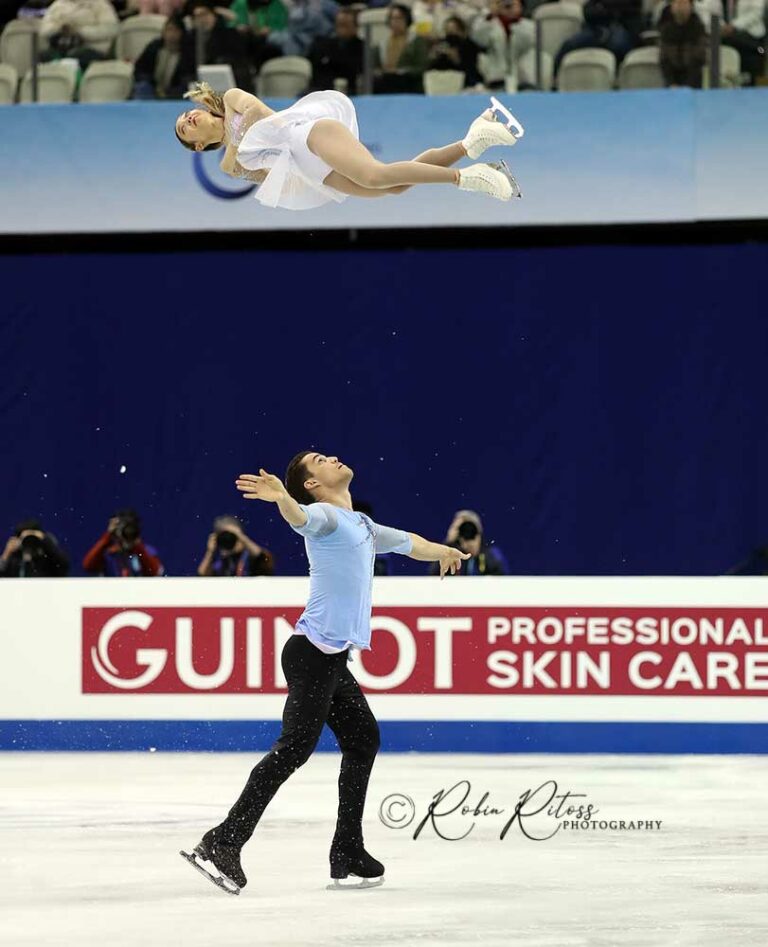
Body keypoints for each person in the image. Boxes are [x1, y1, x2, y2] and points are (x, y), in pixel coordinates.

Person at [180, 451, 471, 894]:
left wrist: (445, 550)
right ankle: (224, 840)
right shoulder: (325, 517)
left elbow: (408, 543)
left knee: (363, 739)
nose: (333, 458)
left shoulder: (363, 525)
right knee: (294, 749)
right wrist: (283, 498)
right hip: (311, 655)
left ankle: (347, 850)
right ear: (312, 484)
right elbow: (301, 519)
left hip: (331, 659)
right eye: (320, 460)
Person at [174, 82, 525, 208]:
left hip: (308, 135)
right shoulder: (226, 164)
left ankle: (471, 177)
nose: (188, 118)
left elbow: (256, 112)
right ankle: (472, 140)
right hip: (312, 169)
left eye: (187, 114)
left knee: (375, 175)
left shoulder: (232, 99)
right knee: (394, 187)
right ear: (198, 146)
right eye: (183, 128)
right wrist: (239, 151)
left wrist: (236, 143)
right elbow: (269, 176)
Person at [553, 0, 642, 77]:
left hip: (623, 27)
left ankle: (614, 79)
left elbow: (629, 7)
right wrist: (604, 10)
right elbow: (587, 11)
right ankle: (554, 77)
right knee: (569, 44)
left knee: (617, 45)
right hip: (597, 28)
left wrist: (604, 8)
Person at [82, 508, 164, 577]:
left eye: (131, 529)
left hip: (139, 590)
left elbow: (155, 572)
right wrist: (108, 536)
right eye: (125, 529)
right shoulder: (108, 552)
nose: (128, 532)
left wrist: (138, 546)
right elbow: (88, 566)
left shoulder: (146, 550)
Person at [429, 509, 509, 576]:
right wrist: (448, 543)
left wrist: (477, 552)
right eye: (461, 528)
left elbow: (502, 576)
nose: (466, 531)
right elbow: (434, 574)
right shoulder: (452, 553)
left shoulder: (491, 552)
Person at [372, 3, 430, 93]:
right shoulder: (382, 43)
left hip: (409, 86)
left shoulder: (416, 41)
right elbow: (375, 66)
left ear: (407, 20)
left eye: (399, 18)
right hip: (386, 85)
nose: (396, 22)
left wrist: (403, 72)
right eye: (393, 18)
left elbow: (421, 67)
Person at [133, 14, 195, 98]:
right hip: (152, 89)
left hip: (175, 93)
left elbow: (188, 79)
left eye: (176, 31)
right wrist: (150, 83)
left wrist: (170, 92)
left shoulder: (188, 53)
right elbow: (140, 69)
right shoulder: (154, 47)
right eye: (169, 30)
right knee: (142, 87)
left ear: (182, 33)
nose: (172, 34)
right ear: (163, 32)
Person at [307, 7, 364, 95]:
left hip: (349, 92)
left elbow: (355, 71)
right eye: (339, 25)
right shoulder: (323, 45)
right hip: (321, 90)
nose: (341, 29)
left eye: (345, 25)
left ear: (355, 27)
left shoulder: (362, 48)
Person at [197, 514, 275, 576]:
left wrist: (240, 536)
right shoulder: (218, 559)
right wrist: (210, 552)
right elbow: (202, 576)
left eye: (232, 536)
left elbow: (264, 559)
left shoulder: (250, 557)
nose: (228, 539)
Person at [659, 0, 707, 86]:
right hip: (671, 83)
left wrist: (688, 85)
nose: (680, 7)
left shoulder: (698, 28)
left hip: (694, 81)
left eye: (684, 3)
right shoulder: (666, 30)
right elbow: (664, 59)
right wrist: (671, 82)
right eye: (677, 3)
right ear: (672, 7)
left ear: (691, 6)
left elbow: (699, 59)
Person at [0, 519, 69, 578]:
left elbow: (64, 566)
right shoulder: (15, 558)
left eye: (33, 538)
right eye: (26, 539)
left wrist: (45, 541)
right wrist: (6, 554)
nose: (30, 542)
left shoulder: (47, 557)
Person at [427, 15, 483, 87]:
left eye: (454, 30)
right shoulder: (443, 44)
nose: (451, 35)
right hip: (443, 82)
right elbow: (433, 68)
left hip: (466, 83)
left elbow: (471, 71)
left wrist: (456, 59)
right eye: (447, 31)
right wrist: (433, 57)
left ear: (462, 31)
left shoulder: (470, 46)